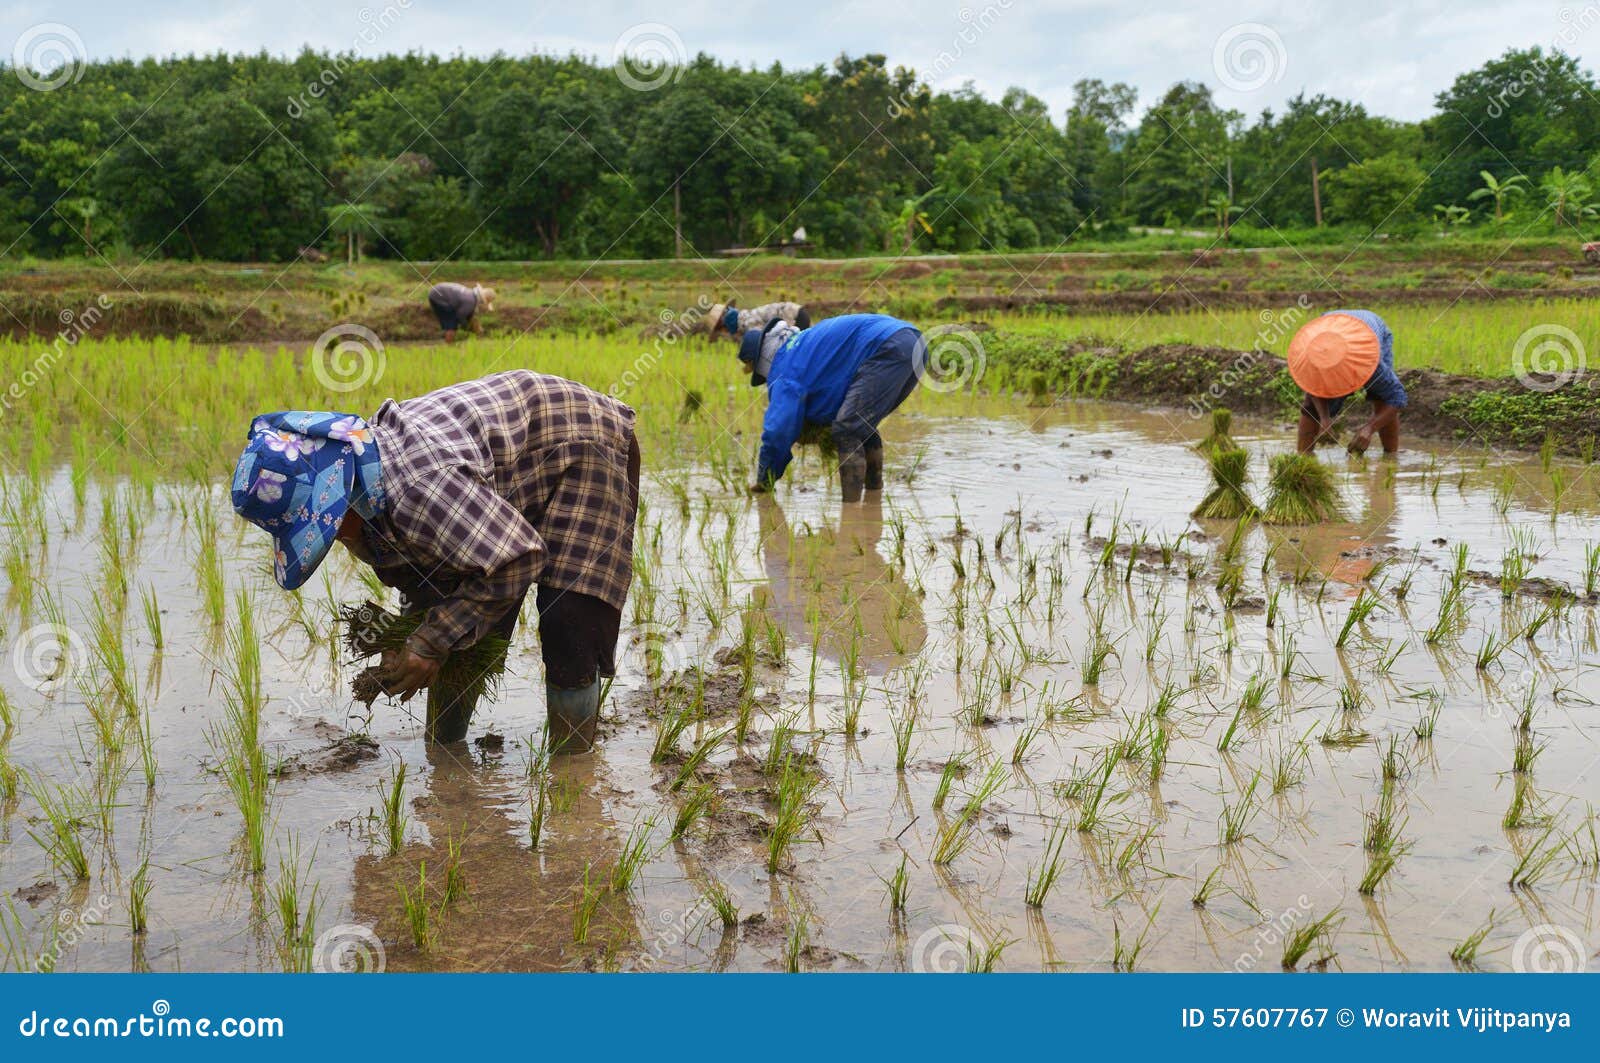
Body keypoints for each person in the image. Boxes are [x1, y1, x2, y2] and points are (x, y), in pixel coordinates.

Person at [229, 371, 639, 752]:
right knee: (460, 619)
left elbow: (518, 560)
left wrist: (428, 641)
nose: (334, 538)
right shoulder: (369, 488)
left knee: (570, 619)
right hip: (502, 475)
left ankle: (573, 779)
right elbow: (429, 578)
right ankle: (444, 754)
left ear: (339, 495)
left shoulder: (418, 489)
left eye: (328, 526)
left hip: (584, 443)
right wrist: (415, 636)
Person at [740, 312, 923, 502]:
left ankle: (850, 515)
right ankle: (873, 498)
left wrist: (765, 480)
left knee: (847, 429)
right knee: (861, 425)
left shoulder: (785, 368)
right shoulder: (801, 345)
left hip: (889, 347)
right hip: (912, 341)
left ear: (758, 361)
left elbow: (777, 432)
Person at [1287, 309, 1407, 456]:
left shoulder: (1371, 364)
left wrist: (1369, 429)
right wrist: (1324, 420)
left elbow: (1396, 398)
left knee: (1382, 398)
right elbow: (1313, 387)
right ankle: (1303, 457)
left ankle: (1390, 457)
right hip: (1330, 327)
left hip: (1369, 330)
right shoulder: (1312, 357)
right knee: (1311, 408)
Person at [706, 299, 811, 340]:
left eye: (722, 330)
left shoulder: (746, 324)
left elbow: (766, 340)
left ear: (725, 326)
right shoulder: (744, 316)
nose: (725, 333)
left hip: (794, 317)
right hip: (798, 312)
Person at [427, 282, 496, 342]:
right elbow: (460, 316)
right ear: (482, 300)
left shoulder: (470, 294)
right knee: (452, 325)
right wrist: (468, 327)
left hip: (437, 291)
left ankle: (446, 335)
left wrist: (472, 322)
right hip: (439, 297)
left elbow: (468, 313)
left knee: (450, 320)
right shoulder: (470, 301)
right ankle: (448, 346)